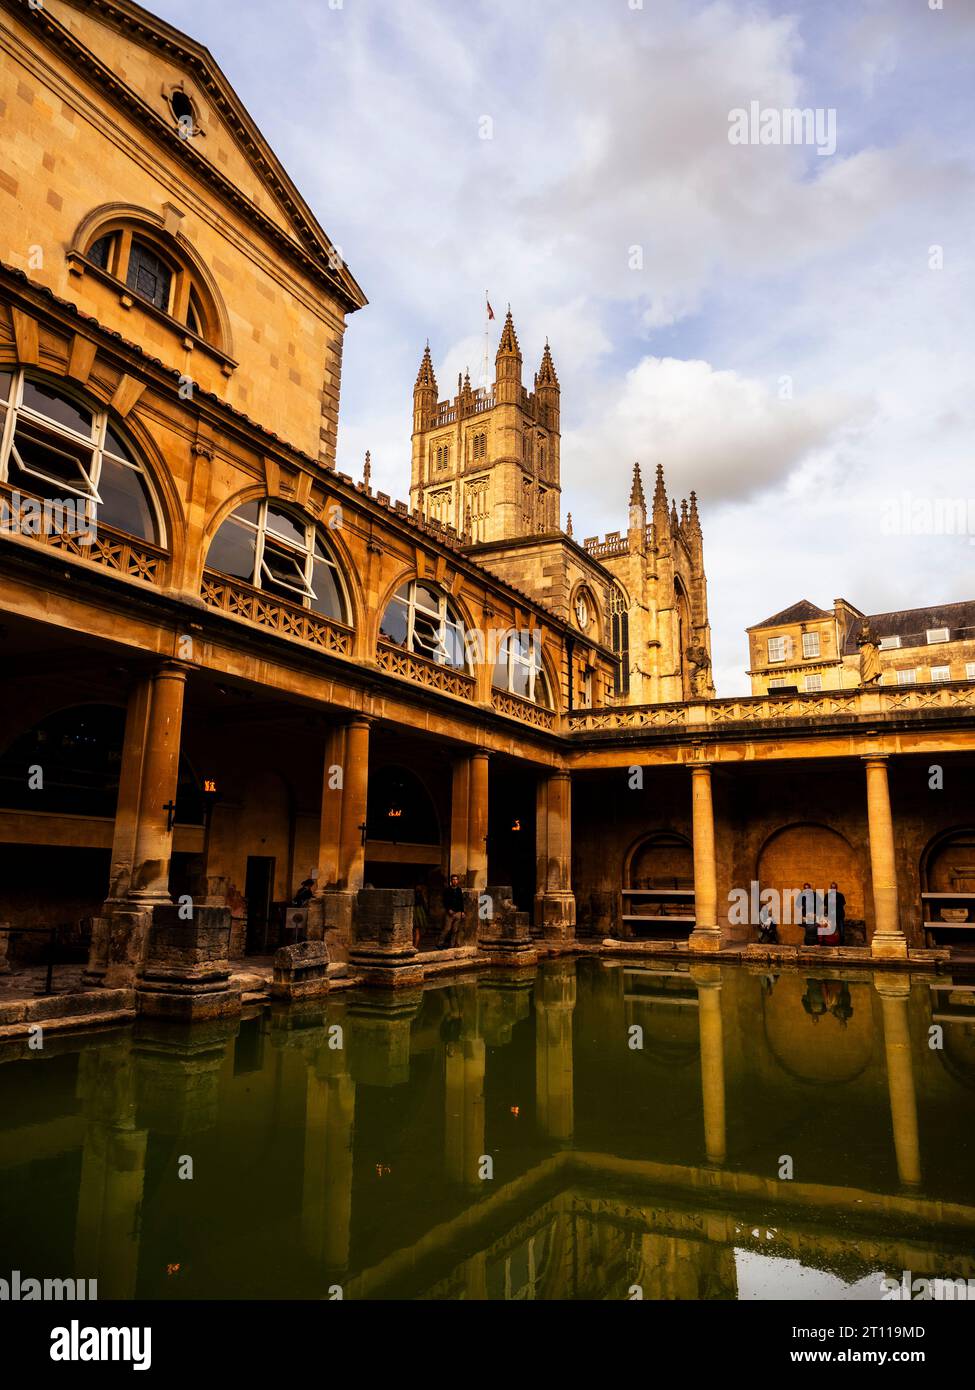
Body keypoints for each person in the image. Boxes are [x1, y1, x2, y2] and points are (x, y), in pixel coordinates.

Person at [440, 874, 465, 949]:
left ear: (458, 881)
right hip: (450, 913)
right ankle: (440, 943)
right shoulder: (447, 890)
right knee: (447, 929)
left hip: (458, 913)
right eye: (453, 879)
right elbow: (444, 901)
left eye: (456, 879)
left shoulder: (459, 890)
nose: (455, 881)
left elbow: (461, 901)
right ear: (451, 881)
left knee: (455, 930)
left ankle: (452, 945)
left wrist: (462, 911)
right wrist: (448, 909)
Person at [413, 882, 431, 950]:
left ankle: (415, 946)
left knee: (417, 931)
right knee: (415, 931)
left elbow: (424, 905)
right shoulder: (417, 895)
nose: (419, 887)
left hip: (418, 913)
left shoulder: (420, 896)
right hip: (417, 912)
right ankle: (414, 946)